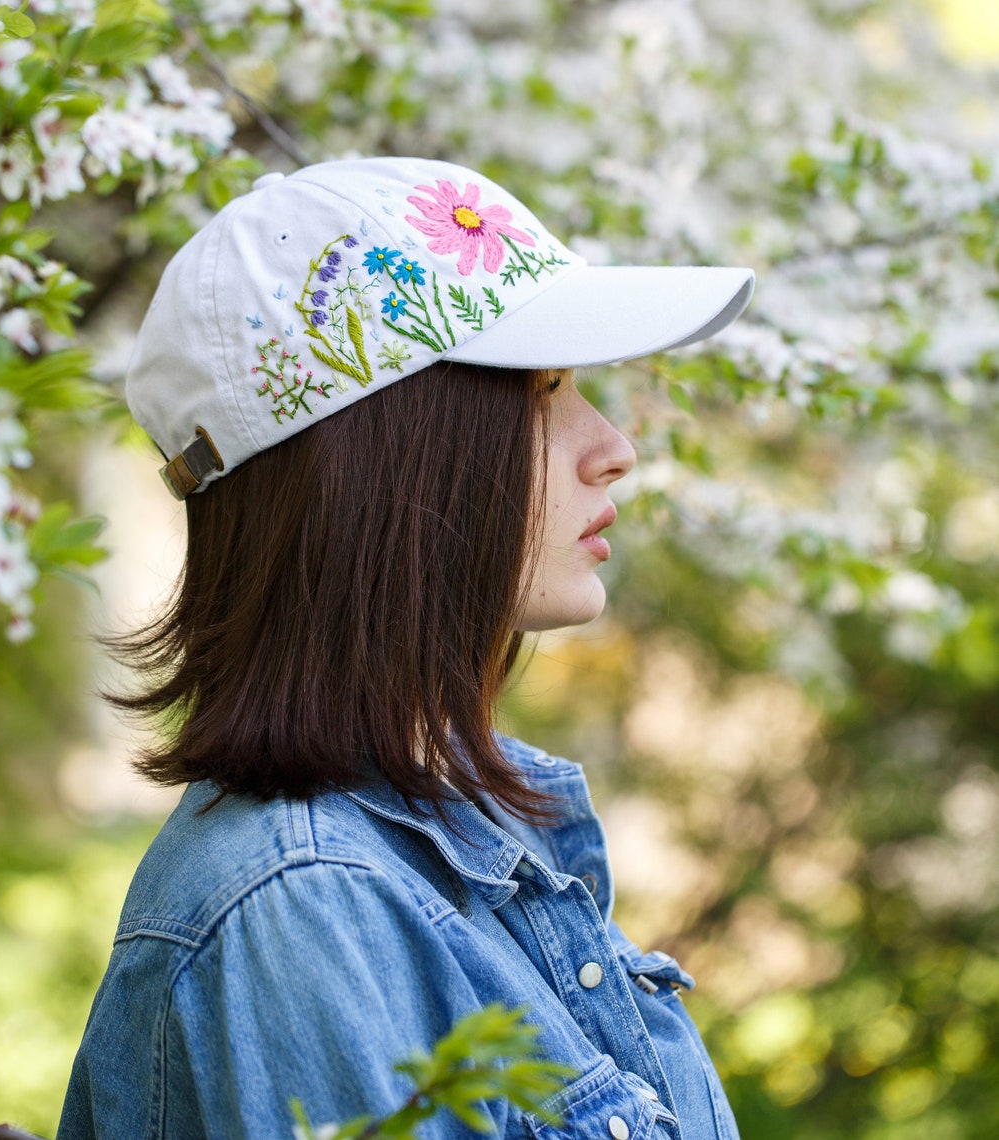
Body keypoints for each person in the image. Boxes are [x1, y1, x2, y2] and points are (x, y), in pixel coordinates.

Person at [57, 156, 754, 1139]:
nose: (613, 445)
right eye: (544, 389)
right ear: (386, 451)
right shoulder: (302, 911)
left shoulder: (468, 844)